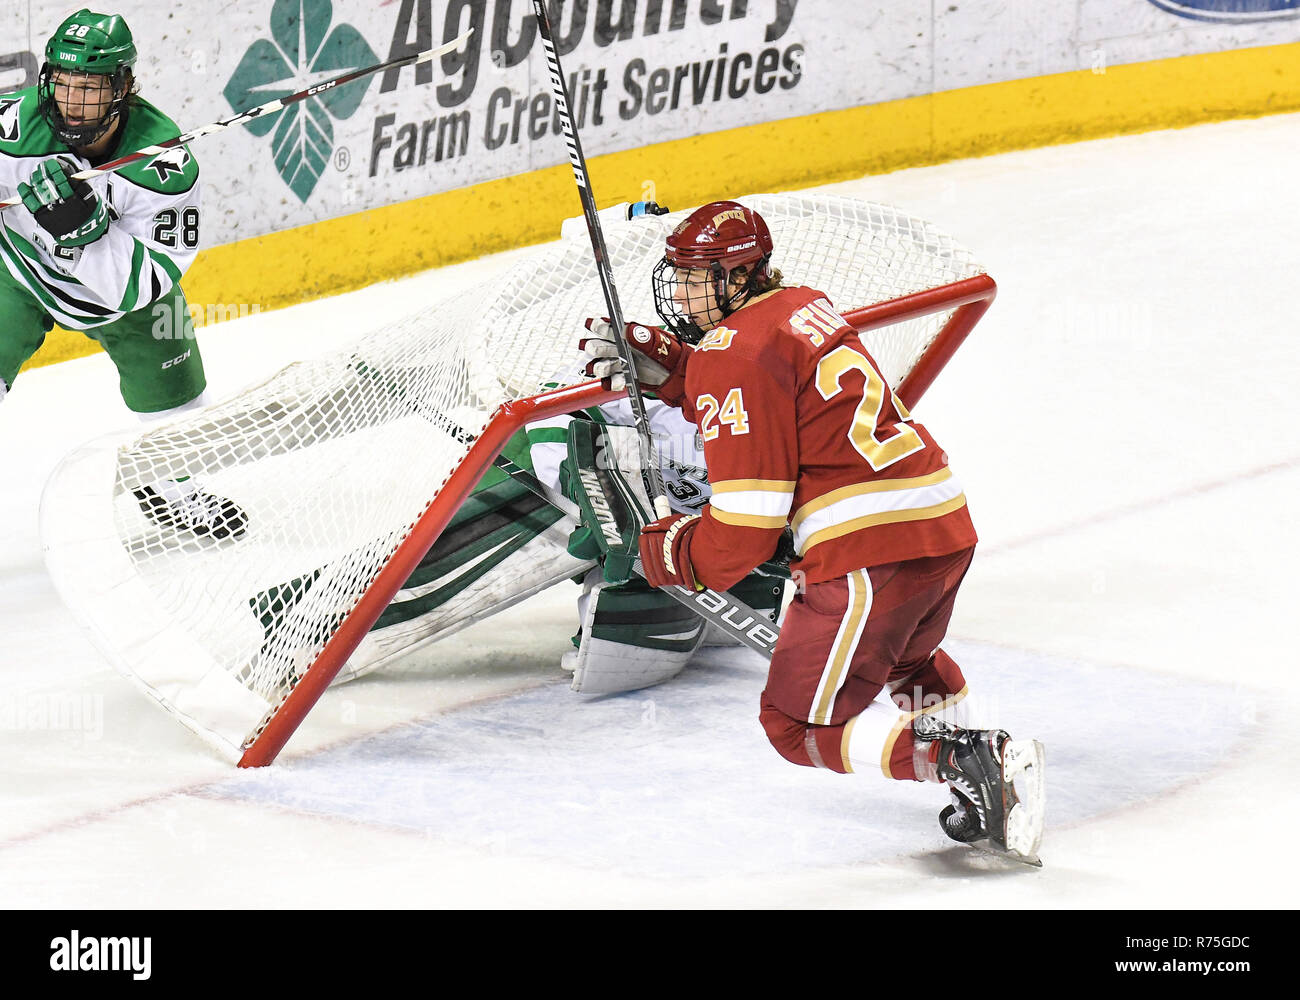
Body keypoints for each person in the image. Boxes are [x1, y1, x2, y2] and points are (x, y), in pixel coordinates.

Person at [580, 200, 1045, 861]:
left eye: (697, 276)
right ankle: (983, 780)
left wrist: (674, 552)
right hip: (941, 525)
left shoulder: (732, 355)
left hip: (865, 551)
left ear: (739, 278)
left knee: (796, 726)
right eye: (677, 275)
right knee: (909, 665)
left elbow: (744, 530)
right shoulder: (804, 304)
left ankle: (968, 761)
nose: (680, 291)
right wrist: (686, 376)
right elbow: (783, 393)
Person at [0, 9, 241, 538]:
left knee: (180, 399)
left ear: (124, 87)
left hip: (125, 300)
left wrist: (84, 234)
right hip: (21, 271)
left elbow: (142, 285)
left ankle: (174, 493)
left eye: (89, 87)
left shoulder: (165, 168)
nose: (72, 101)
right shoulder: (12, 128)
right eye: (62, 84)